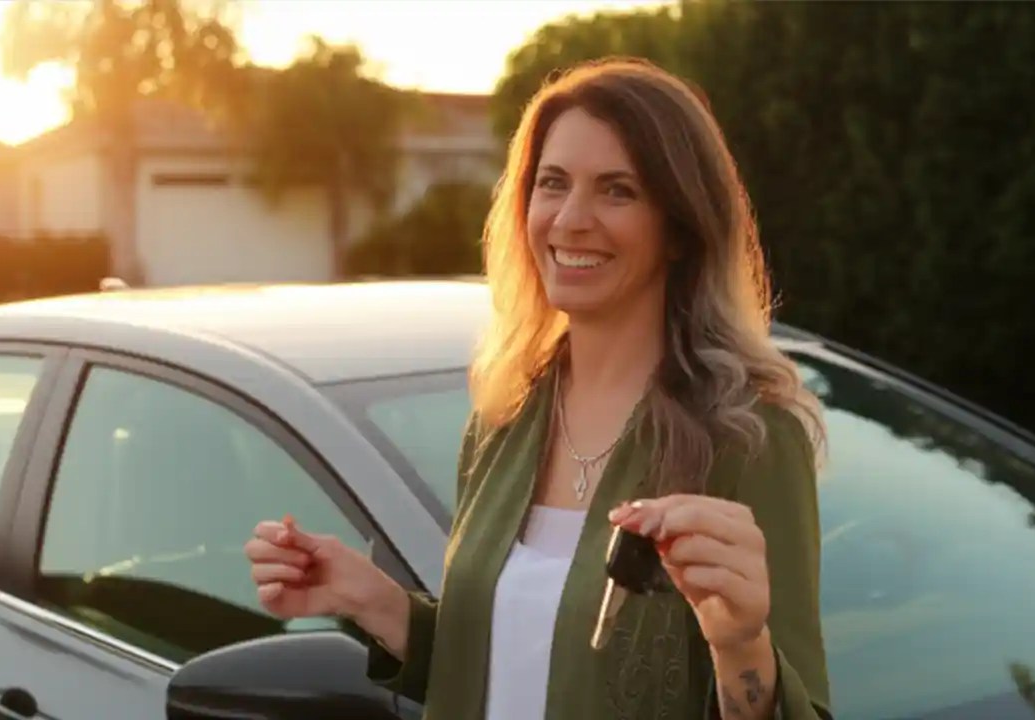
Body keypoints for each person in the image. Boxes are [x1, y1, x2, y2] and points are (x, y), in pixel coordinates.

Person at [244, 56, 831, 719]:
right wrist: (371, 601)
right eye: (552, 184)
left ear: (679, 230)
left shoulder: (750, 439)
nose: (571, 219)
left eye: (617, 190)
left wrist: (741, 642)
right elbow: (511, 670)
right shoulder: (504, 419)